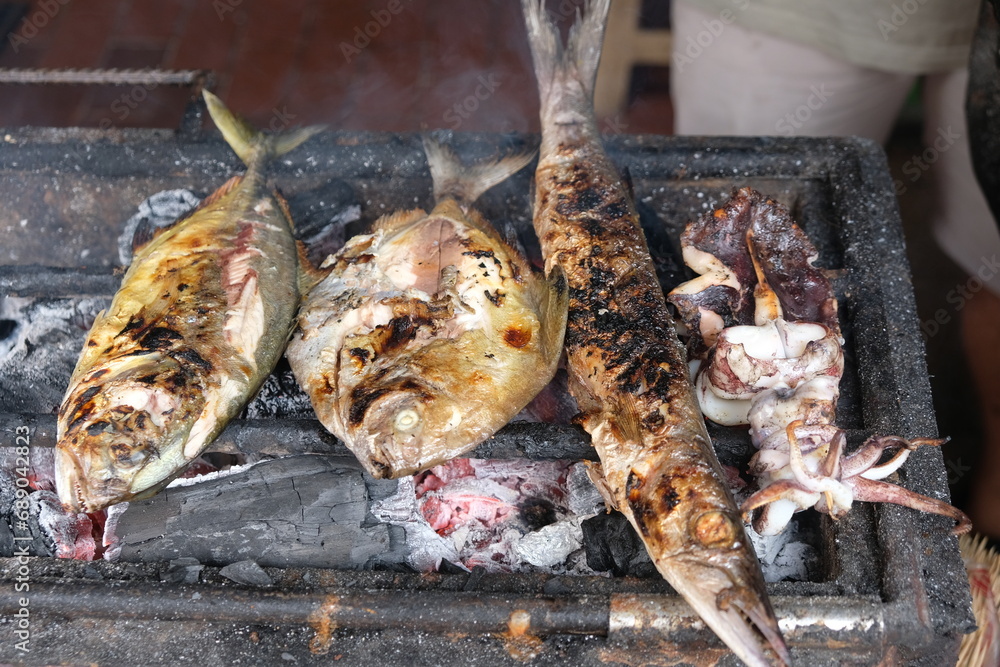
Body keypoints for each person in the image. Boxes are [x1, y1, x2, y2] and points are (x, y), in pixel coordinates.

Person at [669, 0, 1000, 536]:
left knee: (992, 260)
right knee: (747, 167)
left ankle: (993, 511)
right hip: (804, 16)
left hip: (986, 36)